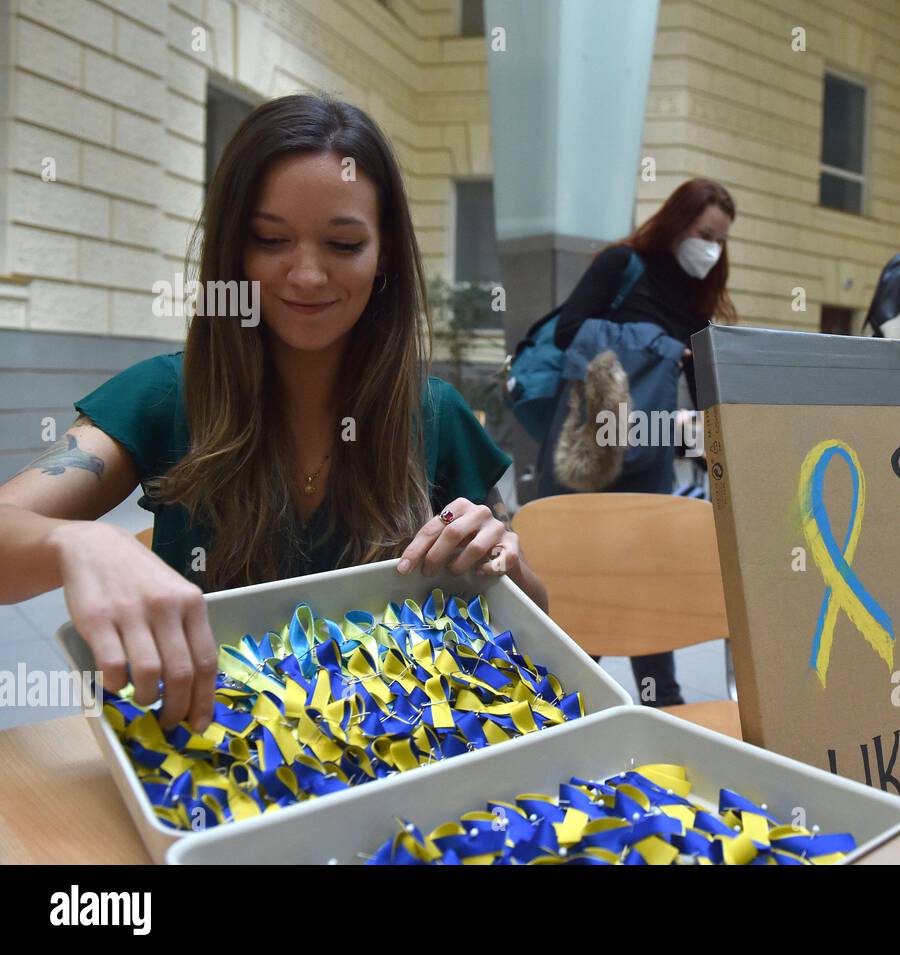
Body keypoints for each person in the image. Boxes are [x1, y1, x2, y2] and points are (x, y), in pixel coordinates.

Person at [0, 94, 548, 732]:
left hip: (394, 771)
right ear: (232, 251)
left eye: (343, 244)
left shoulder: (437, 415)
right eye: (270, 240)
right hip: (206, 762)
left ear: (386, 256)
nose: (307, 275)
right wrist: (77, 541)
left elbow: (532, 621)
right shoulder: (161, 397)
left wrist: (504, 561)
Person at [539, 177, 737, 706]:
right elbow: (569, 331)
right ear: (676, 223)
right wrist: (661, 345)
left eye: (720, 239)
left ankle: (661, 705)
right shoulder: (622, 267)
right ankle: (566, 702)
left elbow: (700, 387)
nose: (710, 248)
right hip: (595, 446)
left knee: (646, 578)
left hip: (652, 453)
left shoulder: (698, 299)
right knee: (589, 576)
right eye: (704, 233)